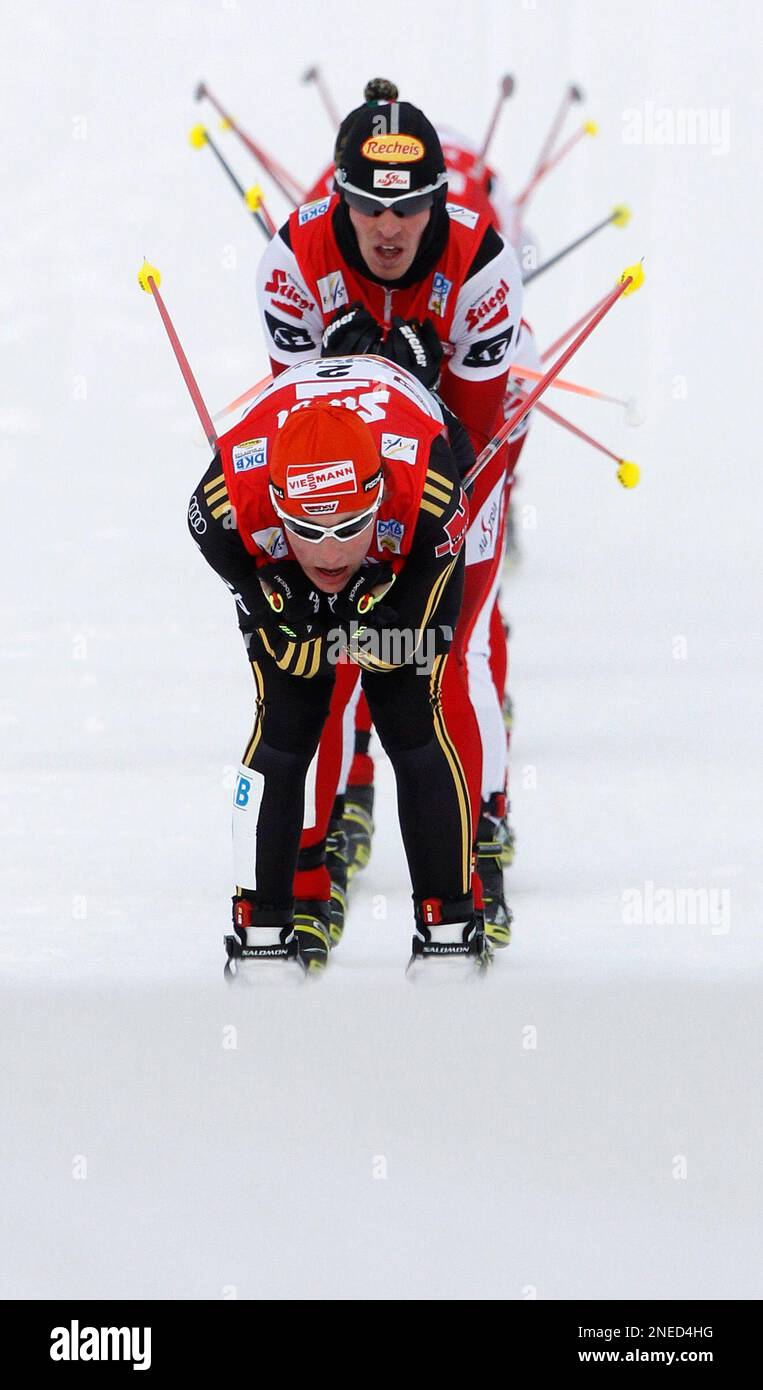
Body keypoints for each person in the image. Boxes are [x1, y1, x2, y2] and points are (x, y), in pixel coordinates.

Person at [256, 98, 526, 946]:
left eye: (408, 205)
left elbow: (473, 442)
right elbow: (298, 434)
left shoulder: (482, 261)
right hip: (343, 467)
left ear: (437, 199)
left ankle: (473, 855)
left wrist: (422, 400)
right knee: (326, 652)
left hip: (464, 456)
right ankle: (304, 870)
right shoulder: (292, 259)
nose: (387, 226)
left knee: (447, 650)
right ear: (338, 196)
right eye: (367, 204)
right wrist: (351, 374)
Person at [187, 354, 486, 971]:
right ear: (275, 504)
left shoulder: (425, 490)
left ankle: (449, 924)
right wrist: (267, 607)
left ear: (374, 499)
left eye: (347, 525)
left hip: (414, 483)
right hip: (296, 504)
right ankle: (261, 928)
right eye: (308, 528)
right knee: (286, 716)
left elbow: (415, 601)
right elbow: (205, 530)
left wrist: (377, 620)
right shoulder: (232, 492)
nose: (328, 549)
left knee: (408, 709)